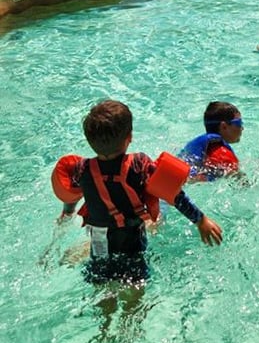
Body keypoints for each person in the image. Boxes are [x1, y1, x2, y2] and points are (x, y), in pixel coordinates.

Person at [51, 100, 223, 284]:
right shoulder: (139, 164)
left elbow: (69, 191)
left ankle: (107, 312)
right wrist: (200, 220)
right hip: (131, 245)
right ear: (129, 137)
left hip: (99, 246)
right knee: (134, 294)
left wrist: (67, 213)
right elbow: (171, 192)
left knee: (103, 291)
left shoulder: (81, 169)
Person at [178, 101, 246, 182]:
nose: (242, 128)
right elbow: (242, 185)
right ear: (224, 126)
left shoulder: (199, 145)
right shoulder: (223, 154)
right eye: (239, 123)